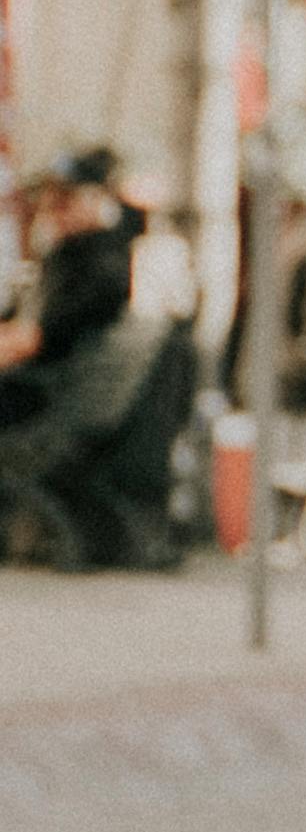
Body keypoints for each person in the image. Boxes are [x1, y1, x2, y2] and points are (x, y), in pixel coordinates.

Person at [0, 147, 181, 567]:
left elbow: (34, 339)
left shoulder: (95, 261)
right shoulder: (77, 256)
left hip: (43, 402)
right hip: (47, 394)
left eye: (63, 199)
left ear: (95, 200)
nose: (50, 209)